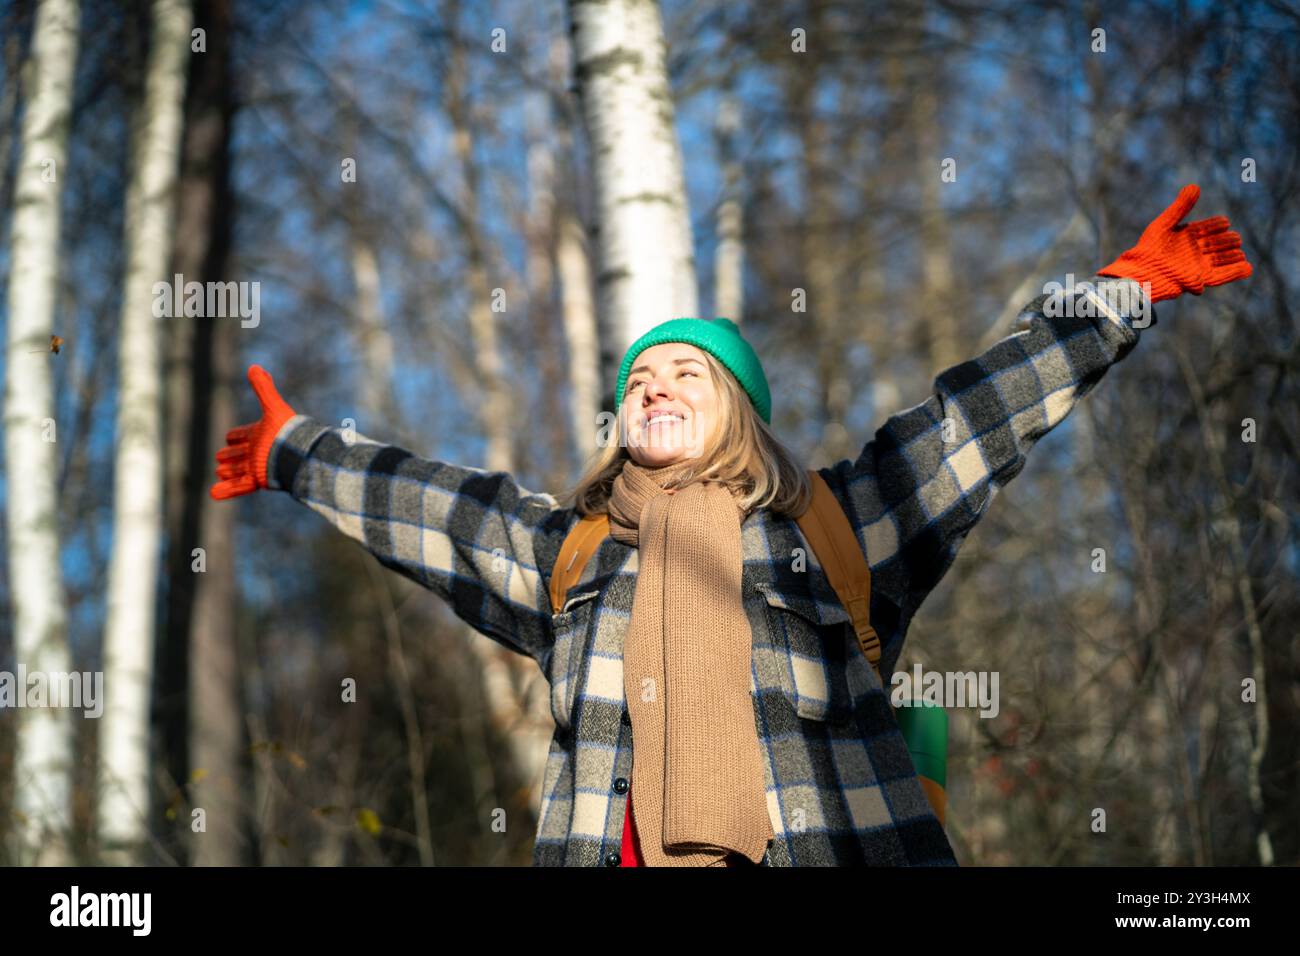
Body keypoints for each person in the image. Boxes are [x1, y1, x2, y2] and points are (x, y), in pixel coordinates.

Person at [211, 183, 1251, 866]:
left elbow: (972, 420)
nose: (655, 385)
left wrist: (1123, 292)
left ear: (738, 408)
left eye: (686, 372)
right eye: (639, 379)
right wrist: (299, 450)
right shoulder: (571, 549)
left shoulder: (838, 523)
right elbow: (437, 510)